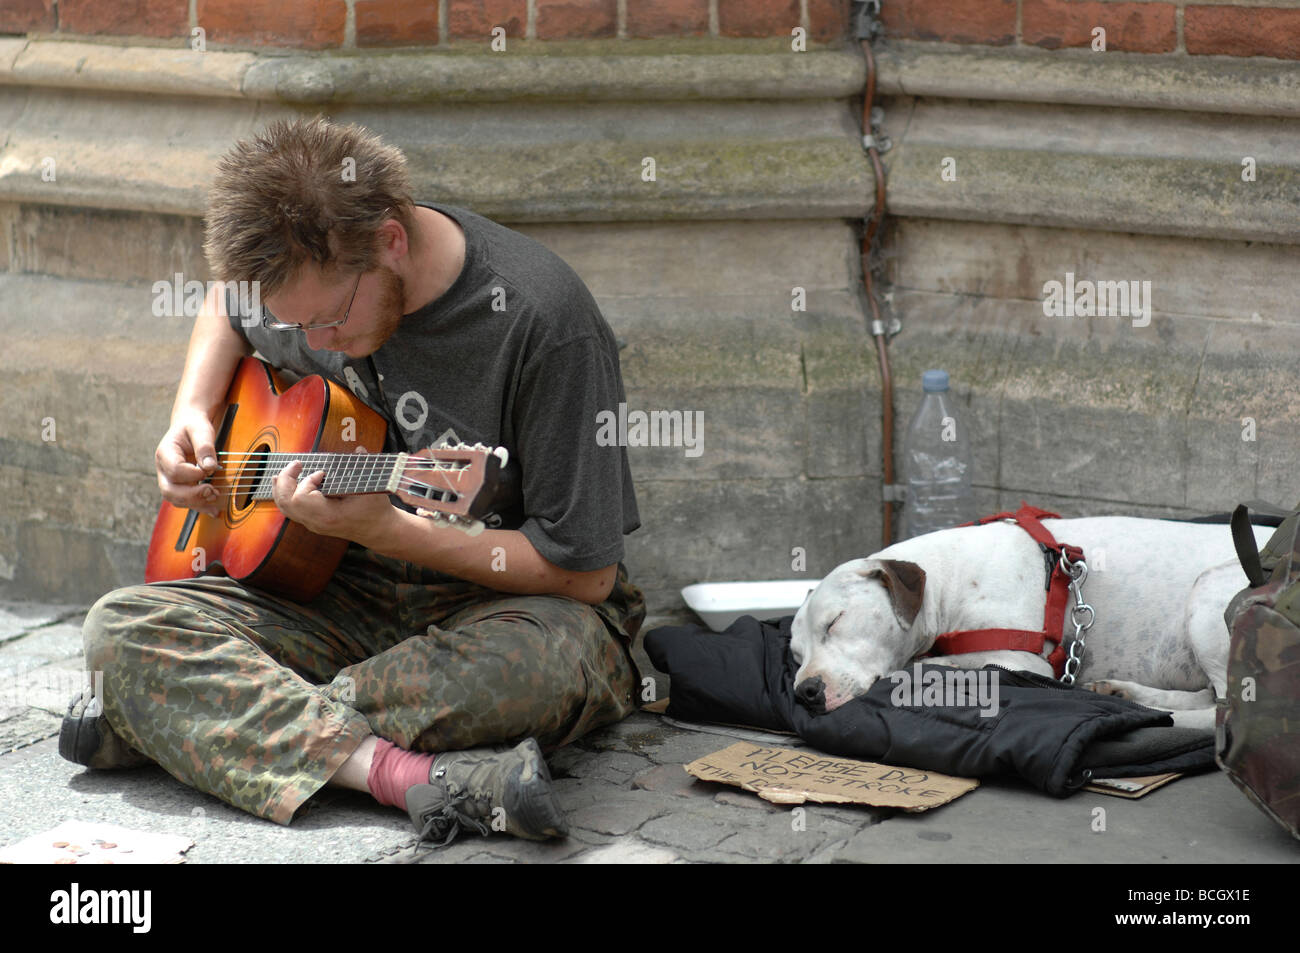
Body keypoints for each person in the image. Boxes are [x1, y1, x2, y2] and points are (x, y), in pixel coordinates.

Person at [62, 116, 645, 848]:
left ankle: (186, 719)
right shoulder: (310, 285)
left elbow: (586, 577)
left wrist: (387, 529)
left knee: (548, 665)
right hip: (335, 593)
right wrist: (193, 413)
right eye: (293, 324)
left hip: (498, 607)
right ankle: (405, 775)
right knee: (119, 629)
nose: (311, 343)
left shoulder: (545, 323)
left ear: (389, 241)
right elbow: (225, 304)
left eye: (328, 320)